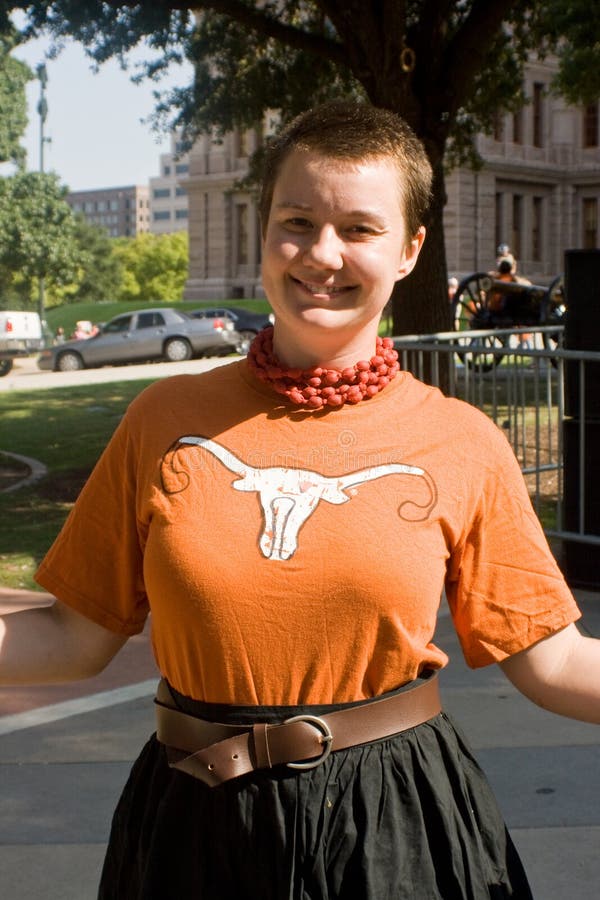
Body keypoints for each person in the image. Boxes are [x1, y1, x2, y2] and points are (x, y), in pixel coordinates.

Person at [1, 101, 598, 899]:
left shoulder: (461, 441)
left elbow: (552, 660)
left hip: (395, 829)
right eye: (297, 220)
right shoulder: (163, 422)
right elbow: (75, 637)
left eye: (359, 228)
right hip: (191, 826)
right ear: (263, 231)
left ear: (409, 249)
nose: (322, 253)